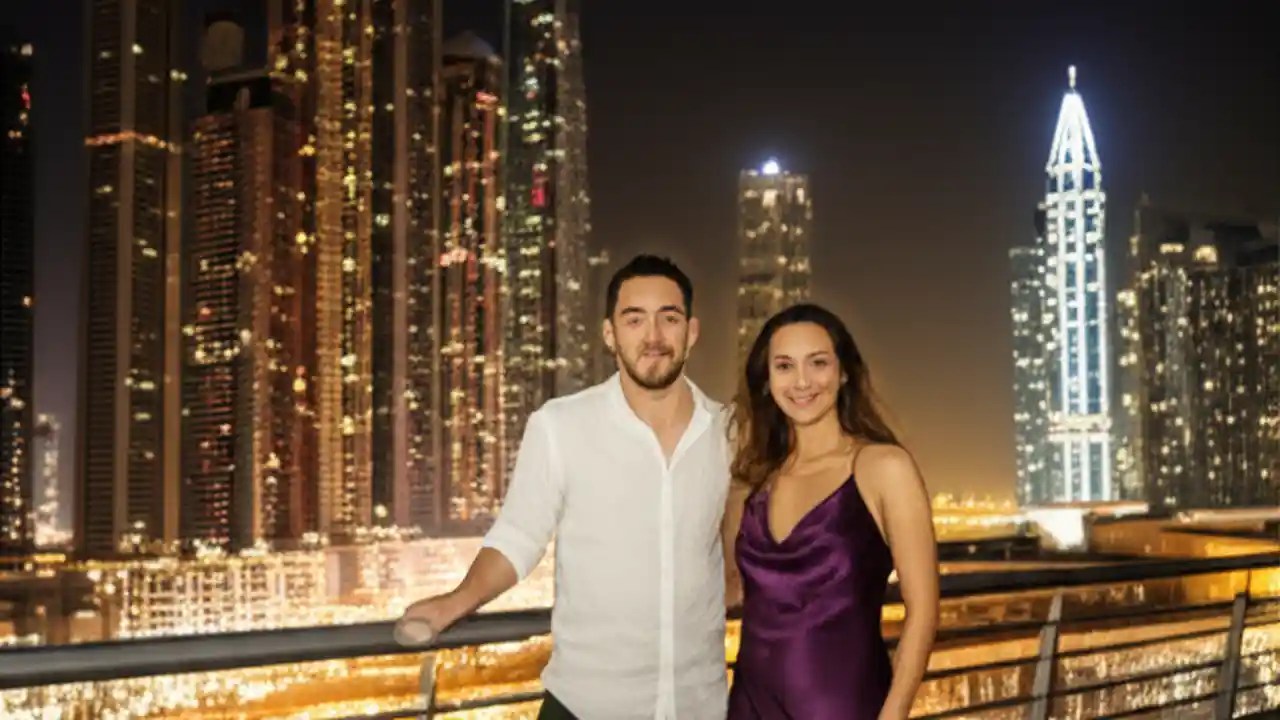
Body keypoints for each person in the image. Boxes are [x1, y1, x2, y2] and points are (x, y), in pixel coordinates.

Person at [396, 255, 733, 720]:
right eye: (634, 319)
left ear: (691, 332)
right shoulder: (560, 426)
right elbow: (518, 536)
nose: (653, 336)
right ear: (610, 333)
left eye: (669, 318)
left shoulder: (727, 432)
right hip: (584, 706)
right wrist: (457, 601)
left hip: (701, 707)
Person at [724, 303, 939, 719]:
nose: (802, 381)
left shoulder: (883, 468)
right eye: (784, 366)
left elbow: (924, 612)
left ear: (843, 373)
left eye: (818, 363)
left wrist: (893, 715)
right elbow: (728, 590)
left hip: (844, 707)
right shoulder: (750, 483)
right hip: (749, 705)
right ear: (766, 380)